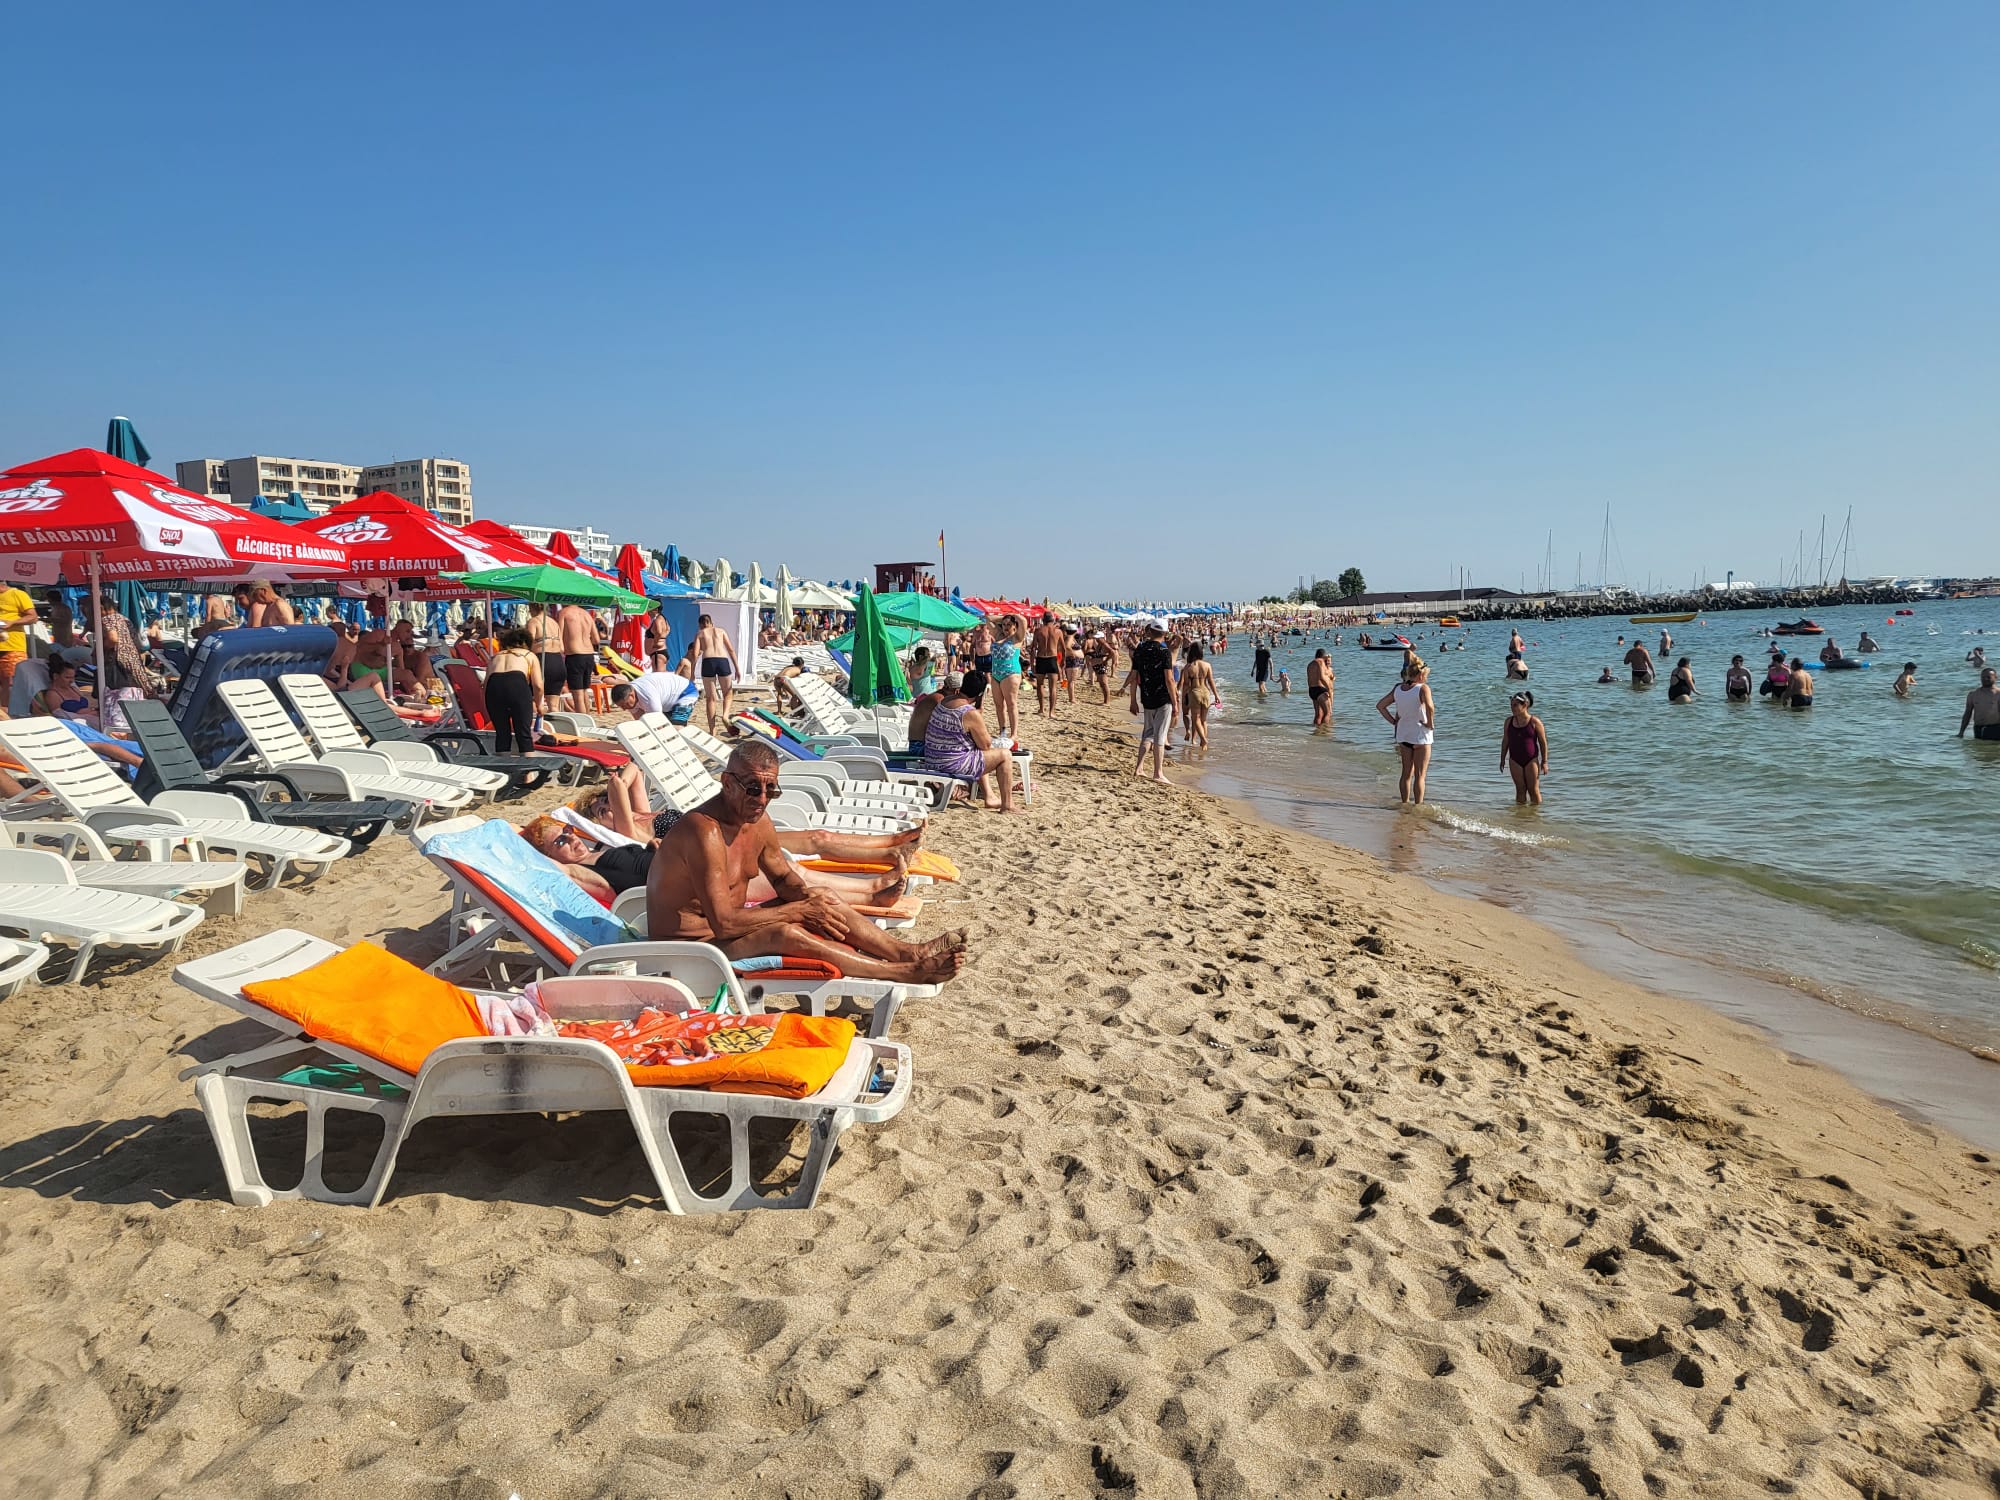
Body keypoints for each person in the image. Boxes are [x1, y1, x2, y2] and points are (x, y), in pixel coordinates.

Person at [645, 740, 967, 982]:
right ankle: (899, 972)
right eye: (752, 788)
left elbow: (783, 878)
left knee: (822, 896)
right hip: (690, 947)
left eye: (771, 790)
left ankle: (907, 952)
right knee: (786, 932)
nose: (761, 799)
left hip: (727, 933)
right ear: (727, 783)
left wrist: (808, 900)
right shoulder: (705, 832)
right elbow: (724, 922)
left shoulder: (757, 822)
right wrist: (798, 910)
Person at [922, 670, 1016, 811]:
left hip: (932, 758)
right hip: (950, 763)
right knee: (1004, 755)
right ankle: (1007, 804)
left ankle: (989, 796)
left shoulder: (945, 701)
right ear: (980, 694)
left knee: (976, 751)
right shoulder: (969, 713)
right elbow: (985, 745)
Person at [86, 590, 157, 733]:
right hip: (131, 660)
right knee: (134, 693)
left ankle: (114, 728)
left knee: (114, 696)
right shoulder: (124, 619)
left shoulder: (107, 620)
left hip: (115, 662)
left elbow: (113, 638)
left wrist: (100, 648)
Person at [1375, 658, 1434, 804]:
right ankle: (1418, 806)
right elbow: (1430, 707)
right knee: (1420, 776)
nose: (1426, 679)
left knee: (1406, 773)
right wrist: (1429, 723)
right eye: (1426, 676)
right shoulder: (1422, 688)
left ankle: (1404, 803)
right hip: (1420, 735)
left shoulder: (1398, 689)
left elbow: (1381, 706)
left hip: (1403, 735)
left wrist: (1394, 721)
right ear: (1420, 675)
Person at [1124, 623, 1177, 784]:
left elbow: (1134, 674)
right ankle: (1158, 772)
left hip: (1146, 696)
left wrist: (1132, 700)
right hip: (1162, 697)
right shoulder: (1163, 651)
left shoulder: (1140, 649)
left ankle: (1139, 768)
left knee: (1147, 732)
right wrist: (1176, 703)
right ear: (1164, 632)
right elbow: (1169, 679)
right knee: (1159, 735)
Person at [484, 628, 542, 753]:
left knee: (502, 733)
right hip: (517, 685)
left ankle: (505, 768)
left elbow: (485, 684)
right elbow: (538, 685)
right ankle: (528, 772)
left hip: (494, 688)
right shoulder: (529, 655)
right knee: (523, 733)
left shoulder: (495, 657)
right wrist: (539, 705)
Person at [690, 613, 741, 732]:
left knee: (710, 698)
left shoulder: (700, 634)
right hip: (722, 660)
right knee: (728, 693)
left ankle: (712, 730)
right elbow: (731, 650)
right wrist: (737, 669)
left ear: (700, 625)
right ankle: (725, 715)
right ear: (711, 623)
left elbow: (695, 654)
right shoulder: (721, 631)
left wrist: (692, 672)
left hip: (708, 661)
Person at [1499, 690, 1548, 806]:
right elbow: (1505, 741)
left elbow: (1543, 743)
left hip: (1531, 760)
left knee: (1533, 790)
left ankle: (1536, 816)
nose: (1512, 708)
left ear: (1525, 705)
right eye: (1511, 705)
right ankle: (1520, 818)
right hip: (1514, 760)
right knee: (1520, 790)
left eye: (1515, 705)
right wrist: (1502, 759)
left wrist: (1544, 762)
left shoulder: (1535, 722)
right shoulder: (1508, 722)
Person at [609, 667, 698, 725]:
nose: (624, 709)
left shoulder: (647, 696)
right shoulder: (629, 695)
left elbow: (658, 723)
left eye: (625, 705)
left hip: (686, 692)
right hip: (667, 698)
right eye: (621, 707)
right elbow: (641, 722)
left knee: (676, 727)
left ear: (631, 695)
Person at [988, 615, 1025, 743]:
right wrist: (1002, 618)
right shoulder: (998, 635)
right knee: (998, 705)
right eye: (1004, 625)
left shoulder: (1017, 638)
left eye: (1009, 625)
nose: (1006, 627)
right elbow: (987, 618)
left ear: (1015, 626)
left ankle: (1014, 733)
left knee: (1011, 704)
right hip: (996, 673)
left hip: (1010, 673)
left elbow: (1023, 620)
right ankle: (1002, 731)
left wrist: (1012, 614)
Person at [0, 582, 38, 701]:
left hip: (13, 647)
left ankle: (11, 713)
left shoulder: (17, 594)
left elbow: (33, 617)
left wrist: (12, 622)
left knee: (13, 683)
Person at [525, 602, 565, 714]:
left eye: (529, 609)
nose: (529, 612)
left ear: (533, 608)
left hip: (542, 661)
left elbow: (527, 644)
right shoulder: (554, 623)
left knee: (533, 699)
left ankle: (534, 727)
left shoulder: (533, 622)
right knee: (554, 705)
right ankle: (555, 728)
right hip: (558, 662)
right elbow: (562, 647)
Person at [1178, 642, 1219, 748]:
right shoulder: (1207, 665)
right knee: (1203, 720)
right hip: (1206, 692)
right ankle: (1203, 744)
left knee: (1195, 719)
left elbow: (1186, 684)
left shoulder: (1188, 667)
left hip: (1194, 692)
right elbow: (1211, 681)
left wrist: (1183, 697)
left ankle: (1204, 740)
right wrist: (1216, 695)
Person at [1030, 613, 1065, 716]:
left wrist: (1032, 664)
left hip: (1041, 659)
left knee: (1040, 684)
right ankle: (1051, 711)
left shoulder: (1038, 631)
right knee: (1053, 687)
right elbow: (1063, 649)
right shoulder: (1058, 631)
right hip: (1052, 659)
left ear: (1043, 620)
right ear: (1053, 620)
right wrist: (1063, 662)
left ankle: (1041, 709)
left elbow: (1033, 649)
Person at [1959, 667, 2000, 740]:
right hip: (1978, 729)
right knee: (1979, 750)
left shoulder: (1998, 694)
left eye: (1988, 677)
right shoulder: (1973, 695)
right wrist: (1961, 732)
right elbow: (1967, 714)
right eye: (1983, 677)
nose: (1985, 679)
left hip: (1995, 729)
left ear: (1995, 677)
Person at [1083, 631, 1113, 704]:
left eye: (1098, 638)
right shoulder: (1100, 644)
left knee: (1104, 683)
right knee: (1101, 684)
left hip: (1101, 665)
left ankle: (1107, 702)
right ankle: (1105, 700)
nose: (1096, 640)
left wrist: (1106, 660)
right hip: (1097, 665)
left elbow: (1112, 652)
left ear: (1102, 638)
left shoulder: (1104, 644)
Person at [1306, 649, 1334, 727]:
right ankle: (1325, 731)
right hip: (1320, 689)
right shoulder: (1320, 662)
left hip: (1312, 690)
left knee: (1318, 714)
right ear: (1323, 656)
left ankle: (1316, 729)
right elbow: (1321, 677)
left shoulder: (1310, 664)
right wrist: (1328, 688)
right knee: (1327, 713)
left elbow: (1309, 678)